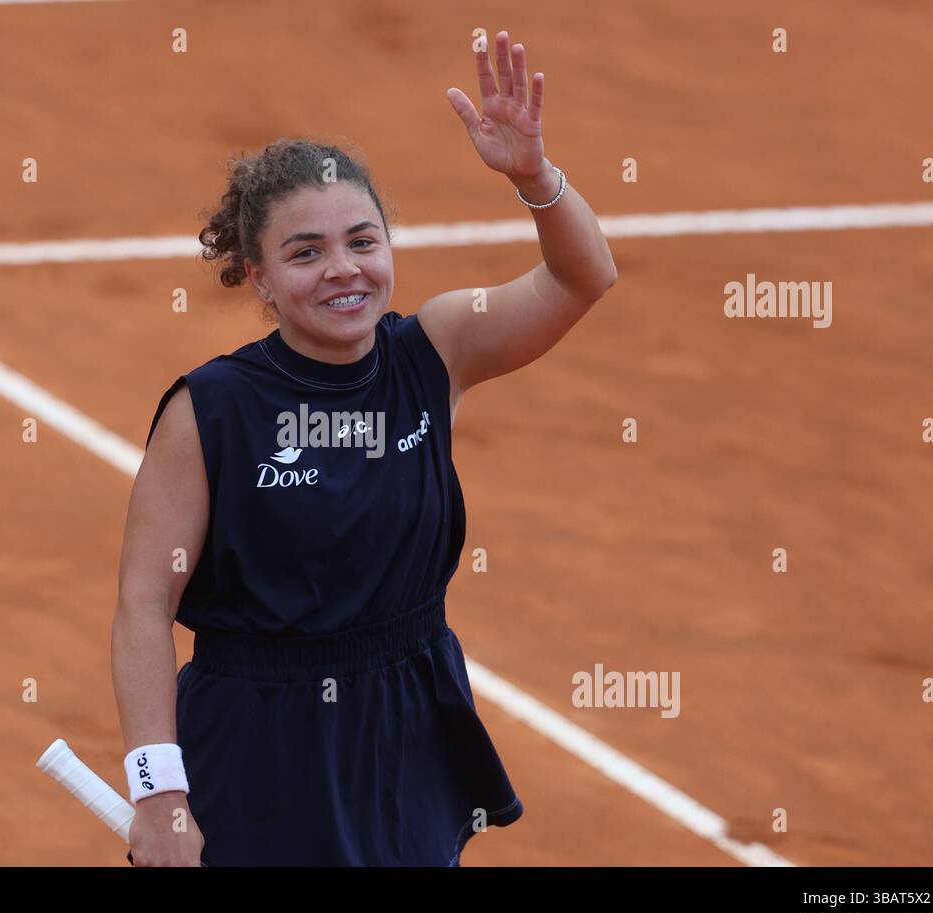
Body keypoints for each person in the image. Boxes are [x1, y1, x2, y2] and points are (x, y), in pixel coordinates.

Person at [111, 30, 617, 866]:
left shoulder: (437, 348)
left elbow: (581, 278)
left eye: (362, 240)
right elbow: (140, 607)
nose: (343, 270)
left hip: (404, 722)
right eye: (305, 253)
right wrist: (160, 794)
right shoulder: (212, 411)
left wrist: (534, 177)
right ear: (258, 277)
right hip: (259, 741)